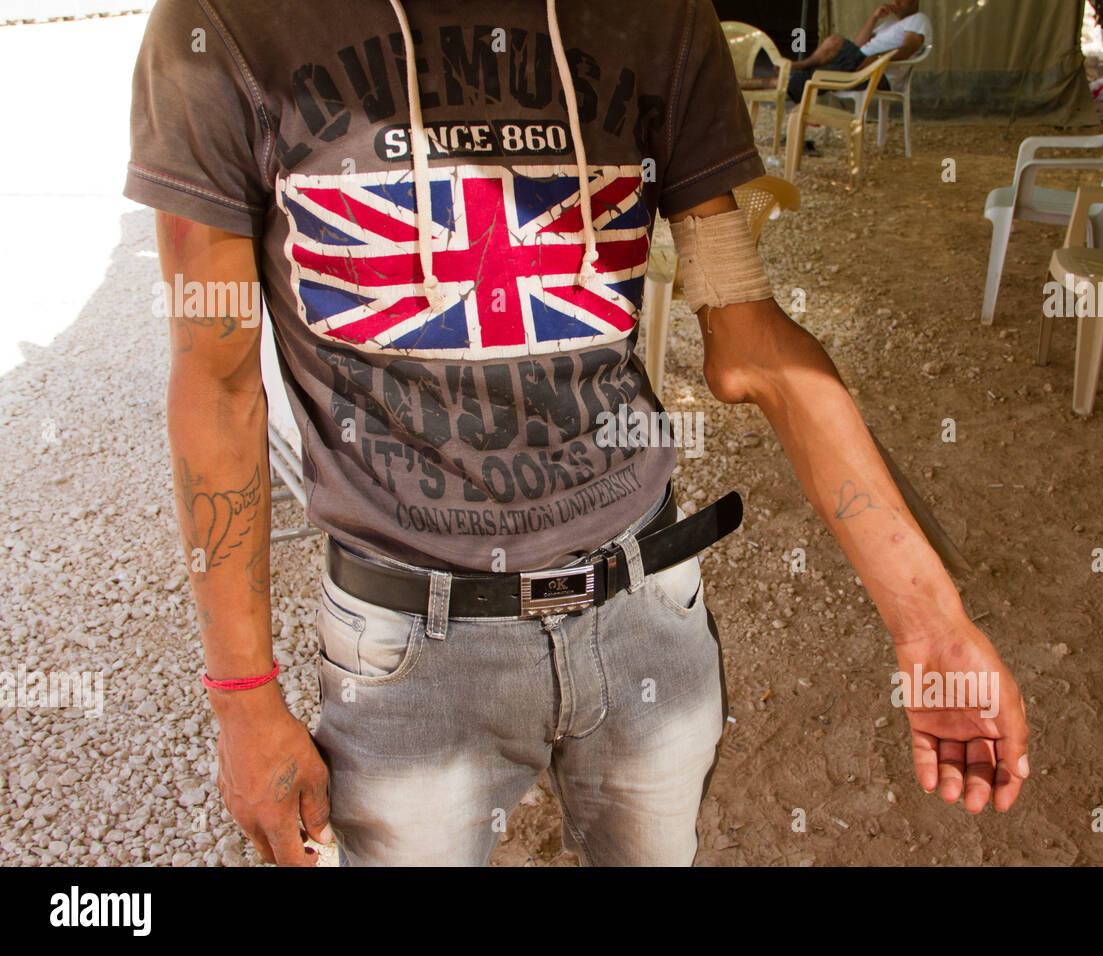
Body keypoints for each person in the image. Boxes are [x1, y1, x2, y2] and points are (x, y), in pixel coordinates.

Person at [126, 0, 1027, 867]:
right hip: (406, 646)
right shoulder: (223, 27)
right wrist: (243, 702)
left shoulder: (660, 17)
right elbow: (217, 383)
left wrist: (931, 623)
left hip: (643, 609)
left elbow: (750, 343)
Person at [788, 1, 932, 104]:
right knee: (811, 76)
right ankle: (785, 82)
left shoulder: (918, 19)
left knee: (835, 42)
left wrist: (877, 58)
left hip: (877, 73)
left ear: (914, 1)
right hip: (859, 61)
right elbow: (859, 44)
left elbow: (907, 49)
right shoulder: (889, 24)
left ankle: (800, 67)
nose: (896, 2)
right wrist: (874, 17)